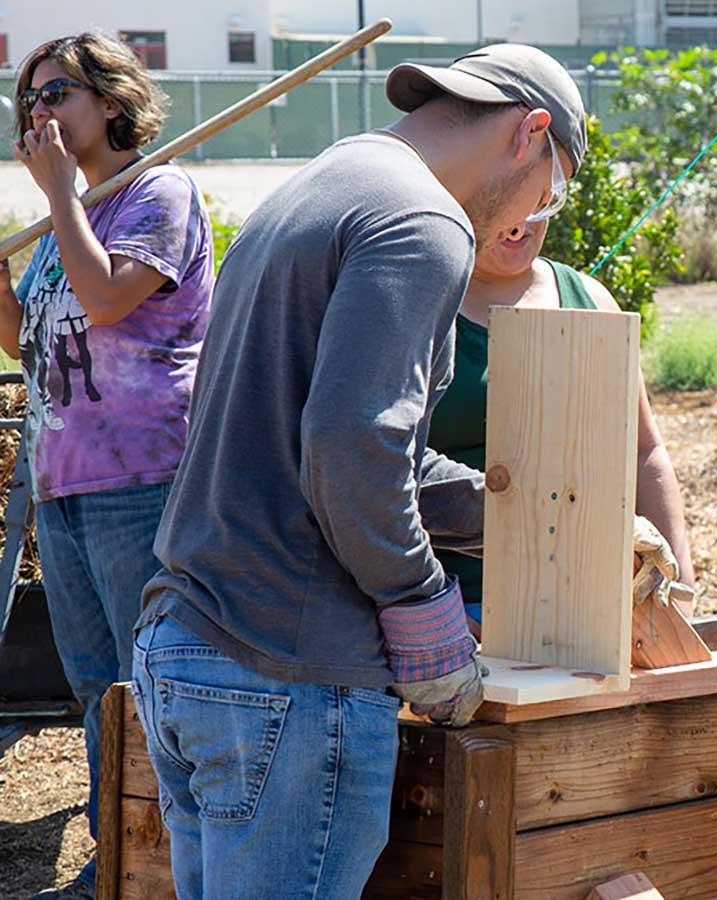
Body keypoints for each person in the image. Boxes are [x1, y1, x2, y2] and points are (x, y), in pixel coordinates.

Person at [129, 45, 584, 898]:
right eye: (550, 191)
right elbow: (349, 450)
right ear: (531, 134)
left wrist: (526, 510)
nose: (528, 218)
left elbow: (361, 450)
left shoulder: (326, 180)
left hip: (188, 646)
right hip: (290, 674)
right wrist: (422, 605)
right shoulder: (425, 222)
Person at [1, 33, 213, 900]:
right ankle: (119, 859)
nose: (39, 115)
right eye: (29, 104)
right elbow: (27, 338)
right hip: (65, 484)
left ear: (112, 101)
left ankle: (171, 862)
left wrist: (56, 194)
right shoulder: (68, 217)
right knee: (98, 693)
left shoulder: (156, 193)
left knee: (151, 687)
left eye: (55, 95)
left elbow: (106, 297)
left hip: (144, 481)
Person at [429, 211, 695, 624]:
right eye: (506, 200)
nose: (521, 219)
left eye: (541, 200)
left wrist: (679, 593)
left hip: (589, 609)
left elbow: (644, 450)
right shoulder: (424, 308)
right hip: (452, 611)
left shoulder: (590, 300)